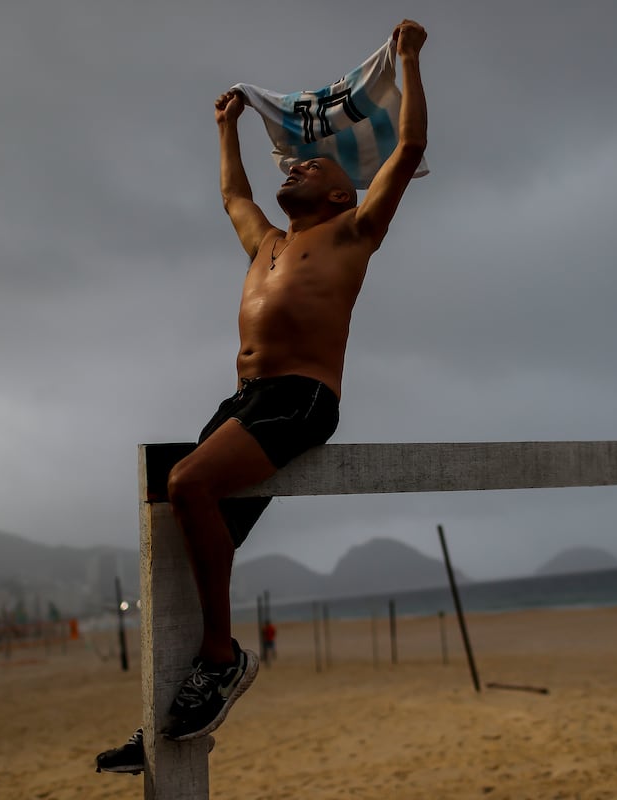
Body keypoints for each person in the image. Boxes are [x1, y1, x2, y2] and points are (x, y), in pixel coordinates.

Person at [95, 19, 428, 775]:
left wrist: (408, 61)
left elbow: (407, 149)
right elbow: (232, 194)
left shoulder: (354, 231)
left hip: (301, 397)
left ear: (341, 190)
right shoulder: (267, 243)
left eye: (312, 165)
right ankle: (164, 725)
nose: (298, 167)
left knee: (189, 483)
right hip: (245, 401)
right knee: (178, 548)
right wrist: (228, 127)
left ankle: (224, 656)